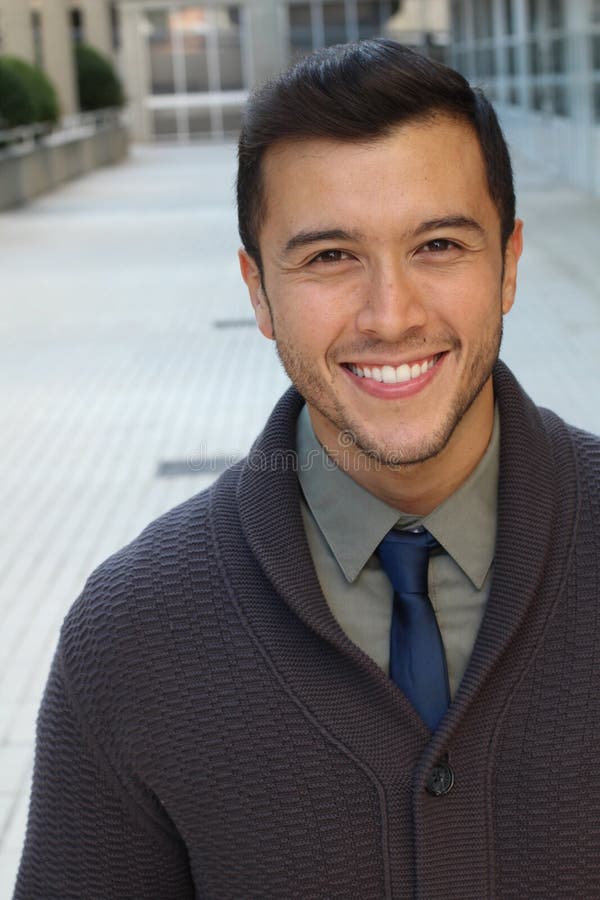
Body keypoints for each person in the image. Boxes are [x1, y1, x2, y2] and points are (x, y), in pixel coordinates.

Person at [14, 40, 599, 899]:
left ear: (508, 264)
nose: (391, 315)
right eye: (329, 257)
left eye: (438, 244)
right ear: (257, 291)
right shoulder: (130, 638)